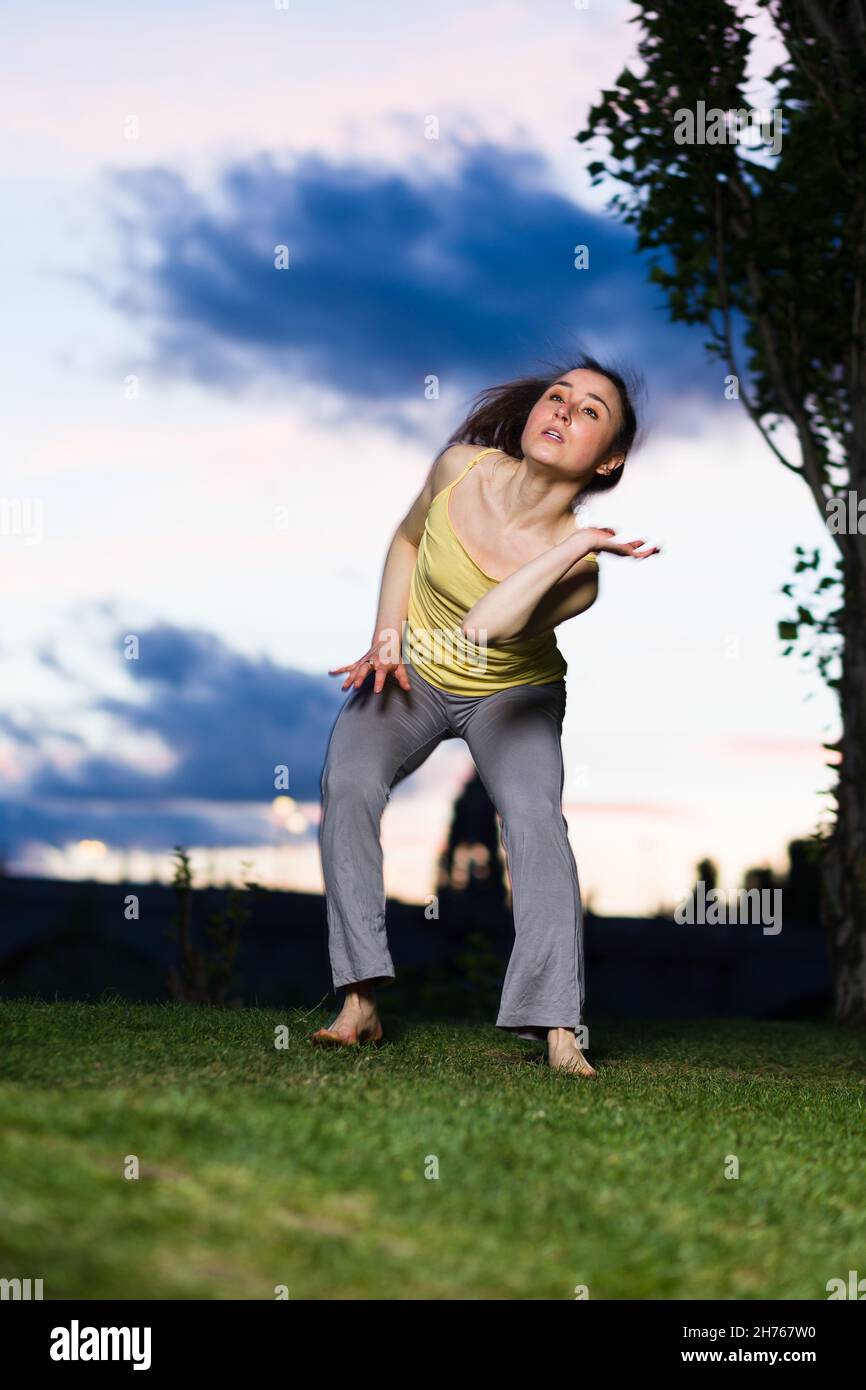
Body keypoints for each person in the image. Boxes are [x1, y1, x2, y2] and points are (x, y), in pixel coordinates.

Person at [313, 355, 658, 1076]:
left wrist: (573, 544)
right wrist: (386, 638)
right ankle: (359, 1000)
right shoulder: (458, 469)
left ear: (610, 460)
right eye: (558, 397)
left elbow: (485, 628)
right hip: (415, 674)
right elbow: (408, 539)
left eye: (590, 411)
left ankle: (558, 1026)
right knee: (347, 785)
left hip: (511, 695)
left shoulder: (583, 574)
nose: (563, 410)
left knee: (533, 819)